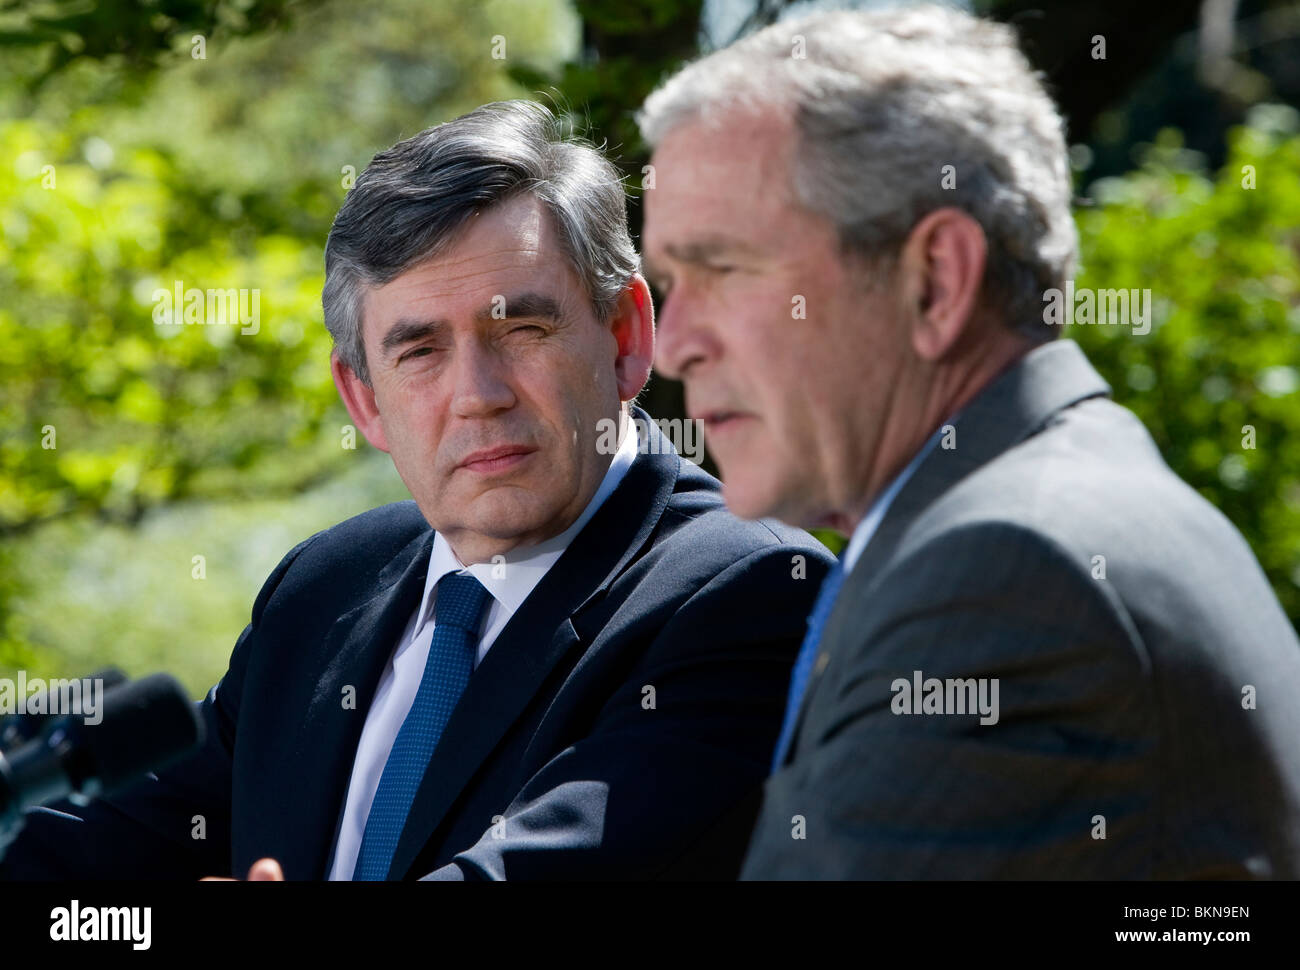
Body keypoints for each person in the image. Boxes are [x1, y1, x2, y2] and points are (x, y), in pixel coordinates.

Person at [0, 100, 834, 881]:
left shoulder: (750, 594)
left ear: (625, 338)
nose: (478, 392)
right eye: (420, 352)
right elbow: (99, 848)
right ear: (363, 399)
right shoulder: (324, 586)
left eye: (520, 328)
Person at [638, 5, 1300, 878]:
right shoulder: (1037, 515)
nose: (674, 342)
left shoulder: (1008, 576)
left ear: (937, 282)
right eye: (666, 282)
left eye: (721, 268)